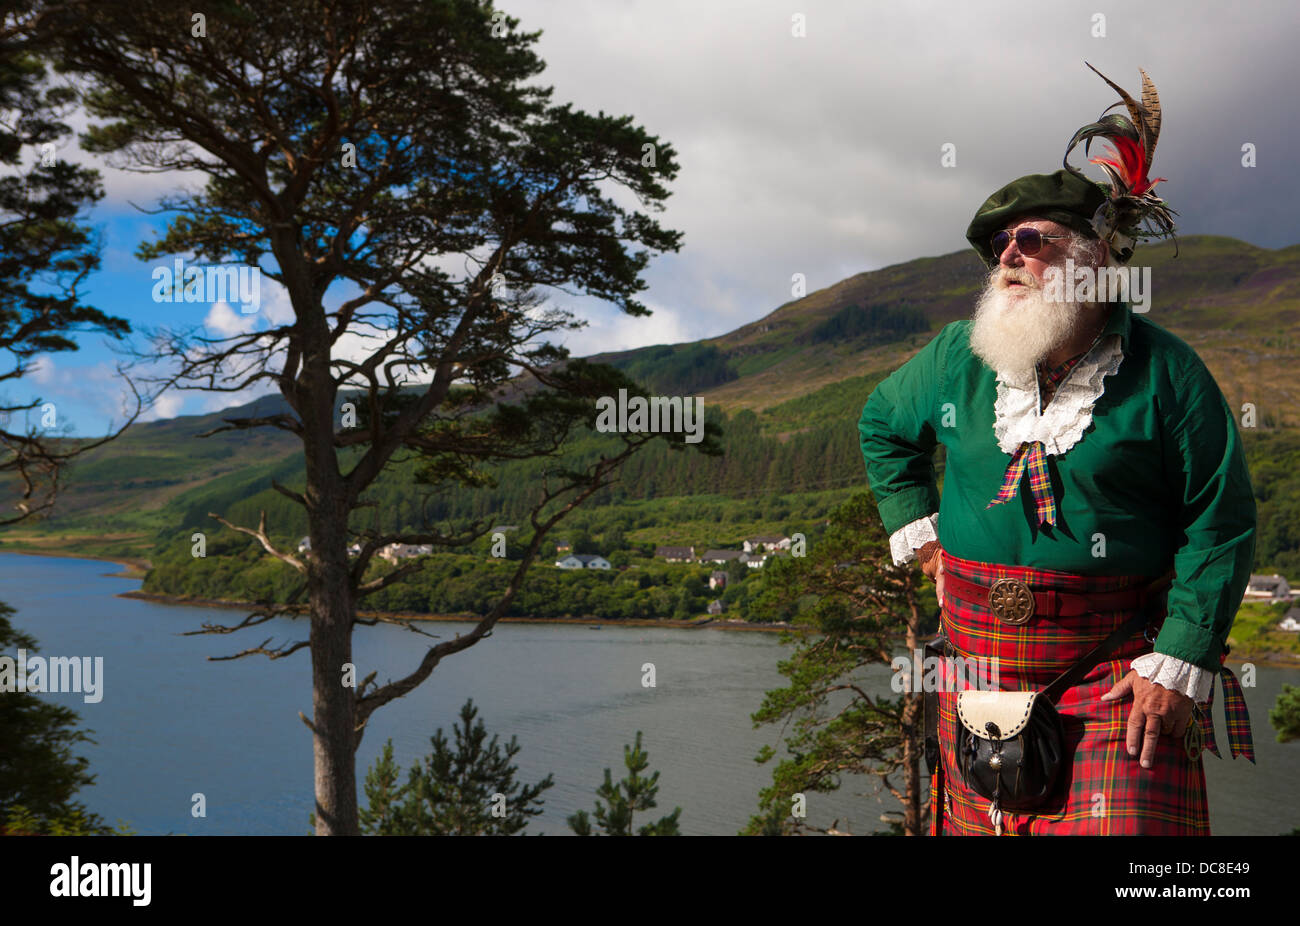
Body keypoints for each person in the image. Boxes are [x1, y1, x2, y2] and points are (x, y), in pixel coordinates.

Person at [858, 66, 1256, 835]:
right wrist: (923, 534)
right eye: (999, 246)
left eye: (1031, 239)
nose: (1008, 255)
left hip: (1114, 671)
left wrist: (1179, 660)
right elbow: (881, 421)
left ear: (1092, 258)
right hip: (974, 662)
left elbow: (1223, 520)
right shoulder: (956, 358)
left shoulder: (1166, 373)